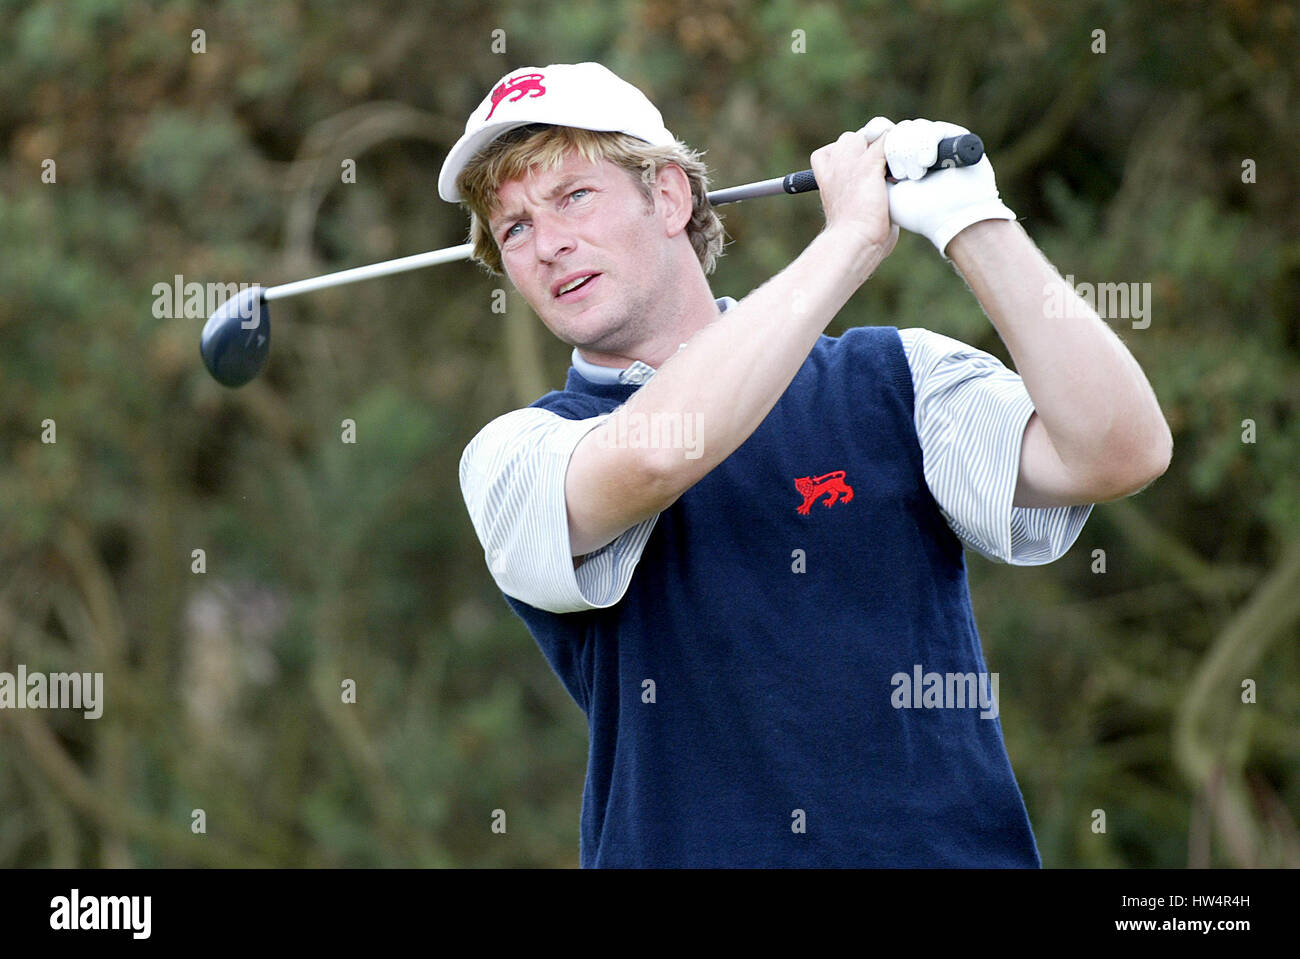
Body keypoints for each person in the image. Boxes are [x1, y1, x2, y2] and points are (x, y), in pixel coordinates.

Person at [440, 62, 1171, 867]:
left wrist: (973, 221)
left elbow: (1120, 450)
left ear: (671, 196)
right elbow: (657, 451)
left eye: (574, 195)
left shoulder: (896, 378)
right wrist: (851, 239)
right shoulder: (515, 456)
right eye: (512, 227)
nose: (547, 244)